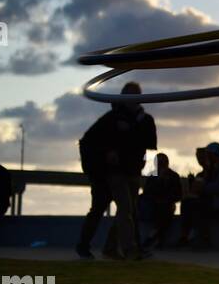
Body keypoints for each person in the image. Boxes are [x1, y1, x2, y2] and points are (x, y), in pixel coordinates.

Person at [76, 82, 156, 260]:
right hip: (110, 173)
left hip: (132, 171)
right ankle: (128, 249)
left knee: (128, 210)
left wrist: (132, 132)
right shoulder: (112, 118)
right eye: (129, 95)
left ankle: (112, 248)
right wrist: (106, 153)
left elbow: (149, 143)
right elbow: (91, 141)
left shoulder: (145, 119)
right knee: (111, 209)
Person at [141, 153, 183, 251]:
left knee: (164, 211)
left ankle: (154, 236)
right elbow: (147, 192)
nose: (161, 165)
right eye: (159, 163)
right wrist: (159, 182)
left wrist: (166, 199)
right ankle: (156, 237)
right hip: (153, 204)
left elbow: (178, 194)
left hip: (167, 204)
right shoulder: (152, 176)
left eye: (163, 163)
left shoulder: (173, 176)